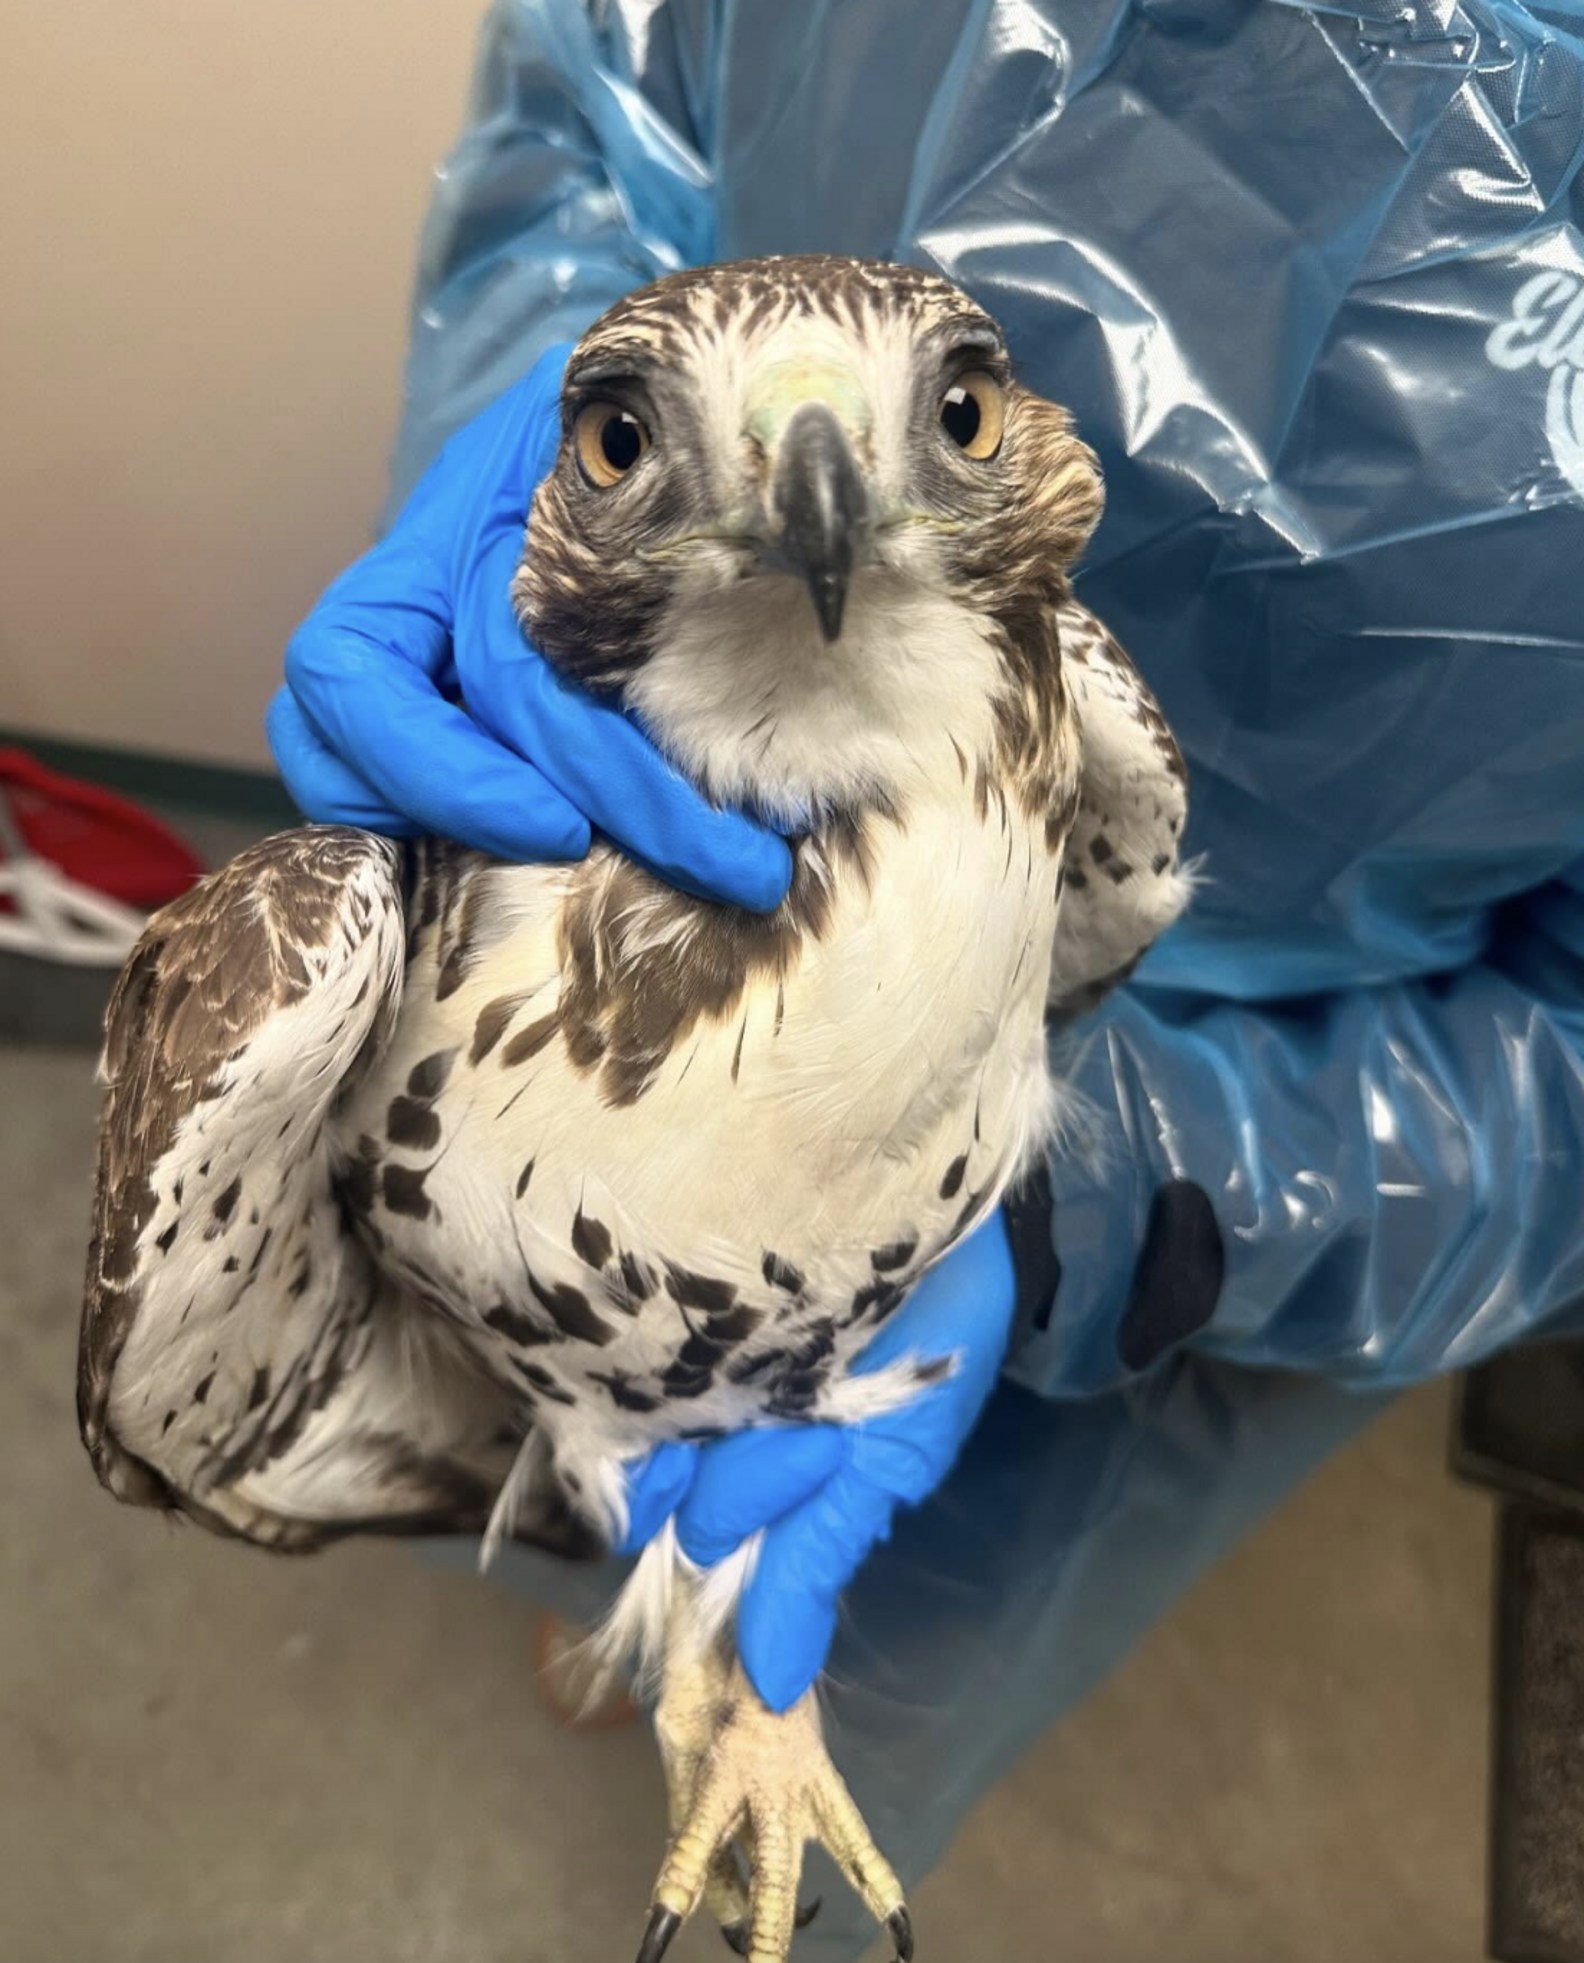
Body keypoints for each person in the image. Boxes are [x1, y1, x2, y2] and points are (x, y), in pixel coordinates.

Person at [270, 1, 1584, 1951]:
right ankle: (613, 1609)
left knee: (858, 1705)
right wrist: (559, 469)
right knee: (581, 1415)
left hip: (1265, 1135)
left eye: (949, 417)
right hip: (631, 887)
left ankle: (756, 1782)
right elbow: (589, 93)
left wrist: (1078, 1193)